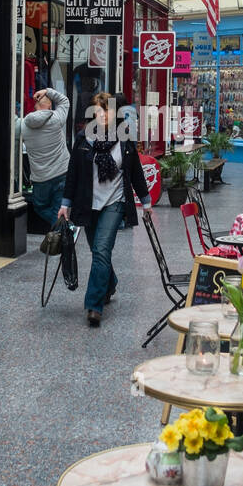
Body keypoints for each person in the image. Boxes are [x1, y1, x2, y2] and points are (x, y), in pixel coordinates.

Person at [58, 91, 151, 326]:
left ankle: (93, 306)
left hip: (115, 202)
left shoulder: (125, 139)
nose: (103, 115)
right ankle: (110, 283)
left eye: (106, 110)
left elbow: (136, 172)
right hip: (87, 204)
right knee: (98, 252)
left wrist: (146, 201)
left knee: (101, 250)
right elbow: (73, 174)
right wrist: (65, 204)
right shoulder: (83, 140)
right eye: (97, 111)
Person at [21, 87, 70, 229]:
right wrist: (47, 91)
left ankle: (61, 233)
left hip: (40, 177)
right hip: (62, 173)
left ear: (36, 106)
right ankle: (65, 229)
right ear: (49, 106)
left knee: (39, 207)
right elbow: (64, 101)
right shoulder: (56, 118)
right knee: (58, 210)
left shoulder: (24, 124)